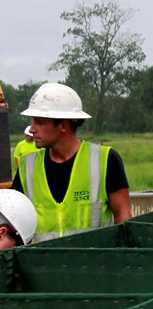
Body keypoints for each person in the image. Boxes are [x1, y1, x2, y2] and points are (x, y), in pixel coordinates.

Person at [11, 83, 131, 241]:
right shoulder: (27, 166)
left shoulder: (106, 159)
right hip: (43, 258)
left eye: (39, 122)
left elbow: (123, 217)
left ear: (63, 126)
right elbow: (14, 224)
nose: (32, 129)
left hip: (95, 257)